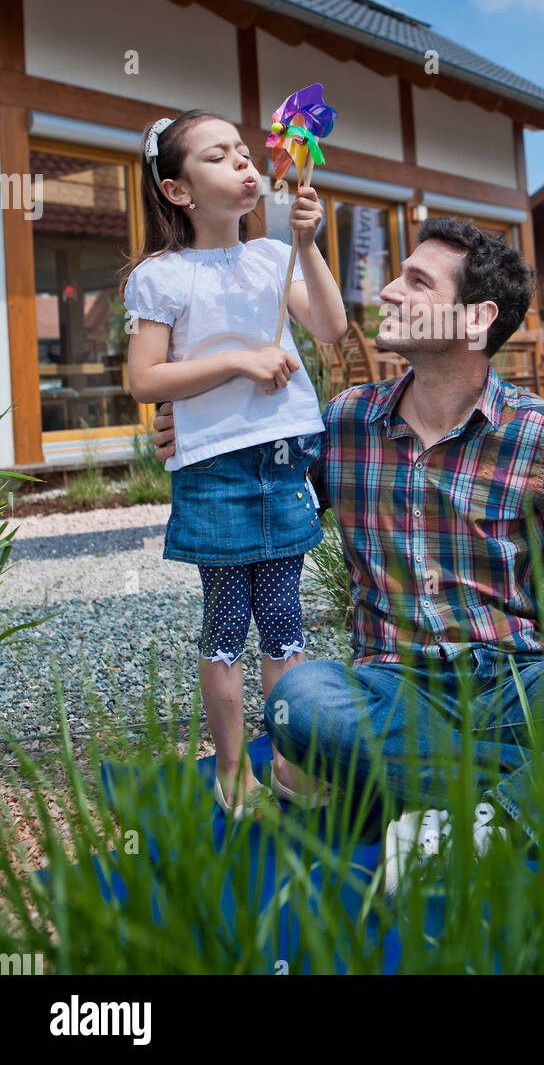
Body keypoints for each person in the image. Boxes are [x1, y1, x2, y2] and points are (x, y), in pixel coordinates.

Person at [151, 218, 544, 867]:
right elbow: (269, 501)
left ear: (476, 320)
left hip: (517, 687)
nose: (387, 291)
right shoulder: (347, 420)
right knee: (298, 705)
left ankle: (471, 817)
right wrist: (203, 440)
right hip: (388, 689)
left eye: (416, 281)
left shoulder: (539, 435)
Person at [123, 109, 346, 816]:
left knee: (284, 626)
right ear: (178, 190)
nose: (246, 164)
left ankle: (287, 761)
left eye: (247, 152)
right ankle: (229, 768)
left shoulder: (272, 257)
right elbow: (146, 381)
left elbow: (332, 329)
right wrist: (237, 362)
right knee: (223, 630)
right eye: (220, 157)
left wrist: (307, 245)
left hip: (283, 463)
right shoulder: (160, 276)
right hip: (214, 470)